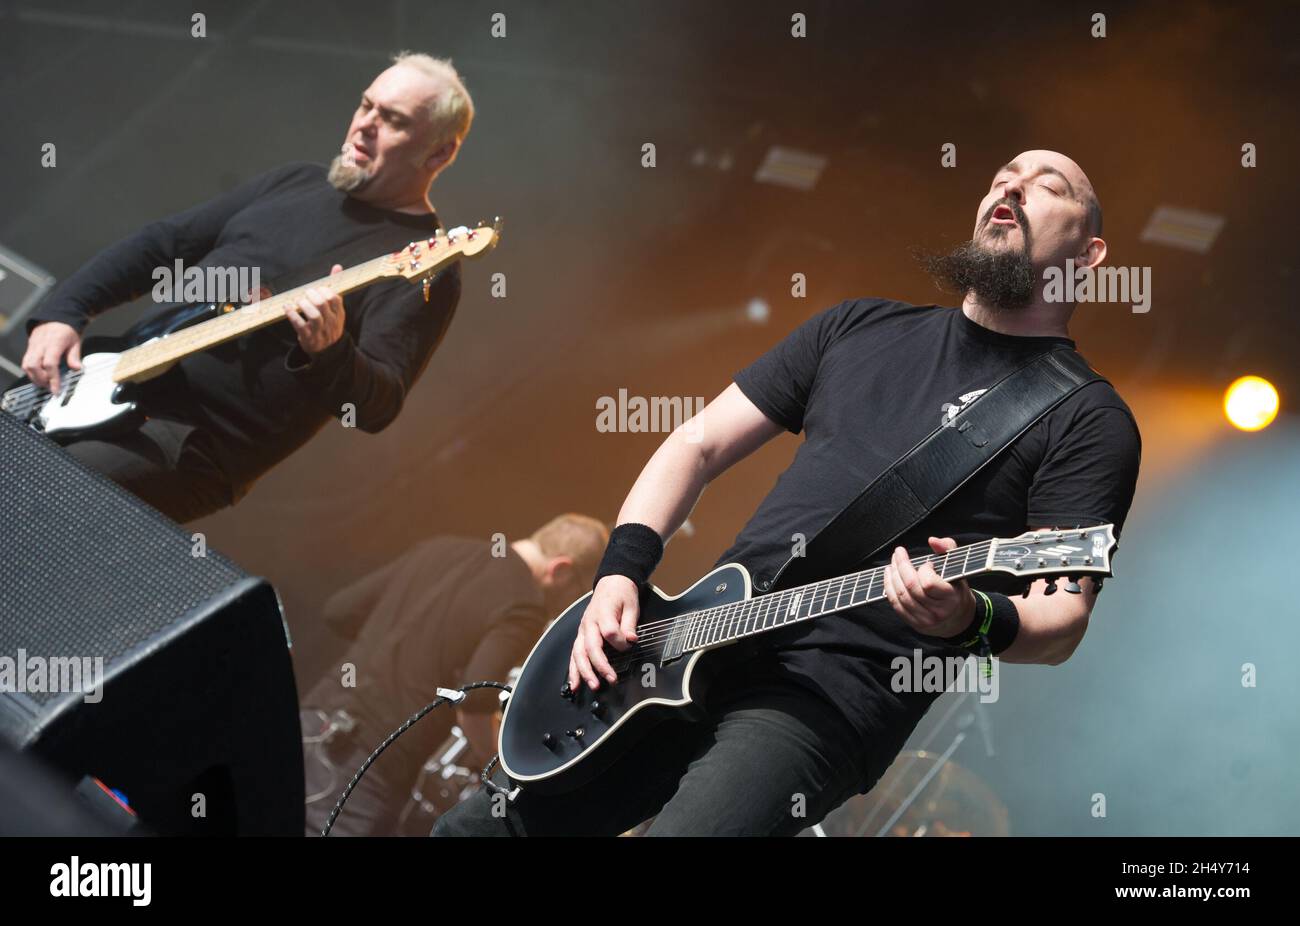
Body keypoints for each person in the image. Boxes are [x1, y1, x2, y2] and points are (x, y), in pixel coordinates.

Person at [432, 149, 1142, 836]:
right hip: (686, 650)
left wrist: (968, 618)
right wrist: (621, 571)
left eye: (1045, 185)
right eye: (1000, 177)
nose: (1010, 189)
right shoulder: (859, 327)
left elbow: (1063, 615)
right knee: (476, 829)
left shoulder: (1083, 417)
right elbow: (696, 444)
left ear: (1092, 254)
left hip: (823, 702)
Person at [20, 52, 474, 522]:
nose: (364, 125)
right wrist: (63, 312)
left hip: (190, 443)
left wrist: (331, 349)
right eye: (366, 105)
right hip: (107, 379)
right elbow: (161, 246)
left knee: (45, 496)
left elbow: (377, 406)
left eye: (393, 120)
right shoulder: (296, 181)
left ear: (439, 153)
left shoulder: (426, 263)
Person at [303, 514, 609, 836]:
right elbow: (473, 703)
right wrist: (501, 771)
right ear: (560, 569)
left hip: (311, 720)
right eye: (575, 590)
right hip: (367, 770)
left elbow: (339, 610)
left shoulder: (439, 548)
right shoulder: (524, 605)